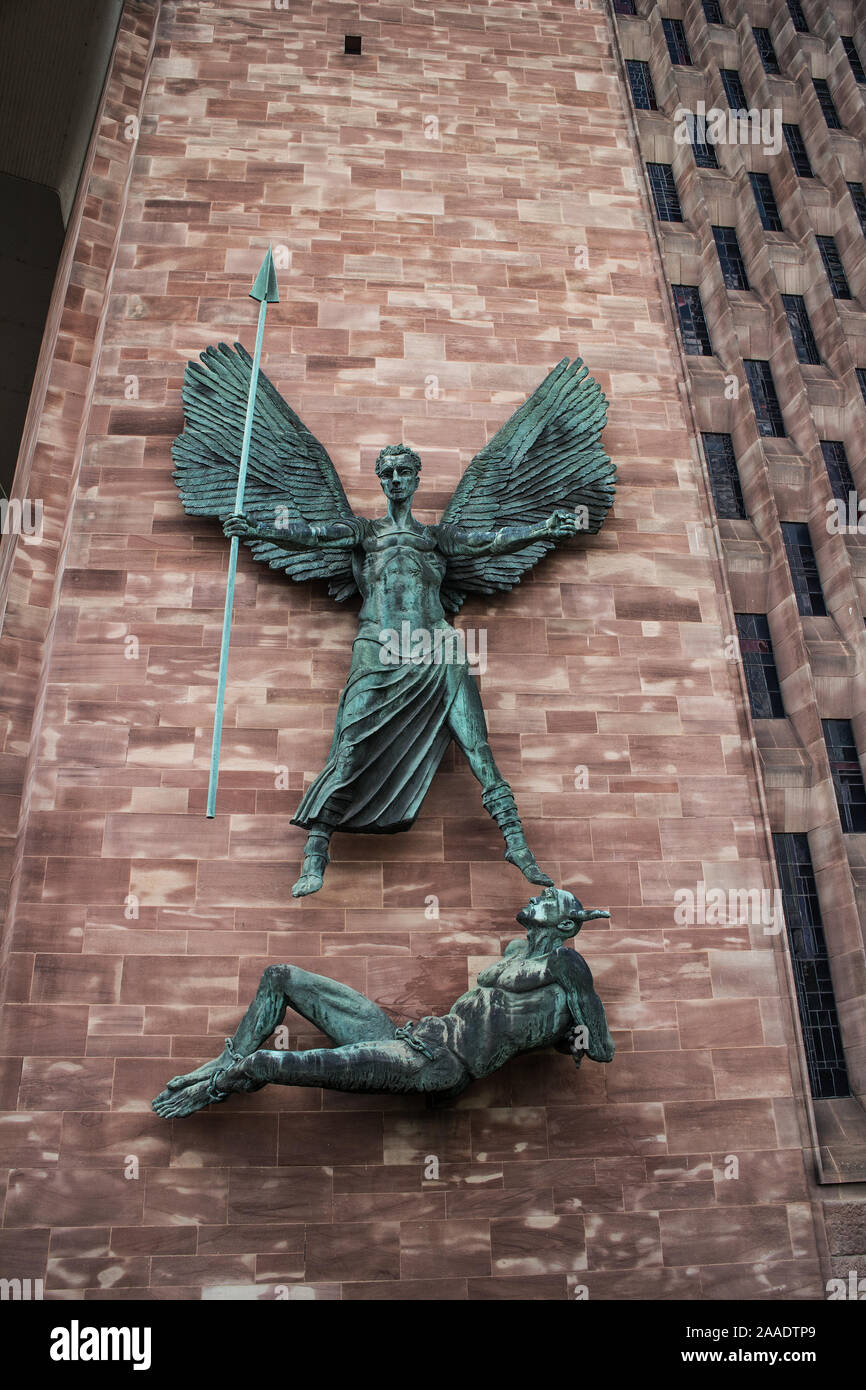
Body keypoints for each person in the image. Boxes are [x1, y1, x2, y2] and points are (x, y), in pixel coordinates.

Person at [152, 887, 615, 1118]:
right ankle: (220, 1064)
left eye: (548, 899)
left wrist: (569, 1034)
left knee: (272, 1064)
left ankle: (215, 1089)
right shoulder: (517, 953)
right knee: (281, 978)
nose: (537, 897)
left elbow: (600, 1047)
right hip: (410, 1037)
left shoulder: (566, 967)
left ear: (567, 925)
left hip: (438, 1065)